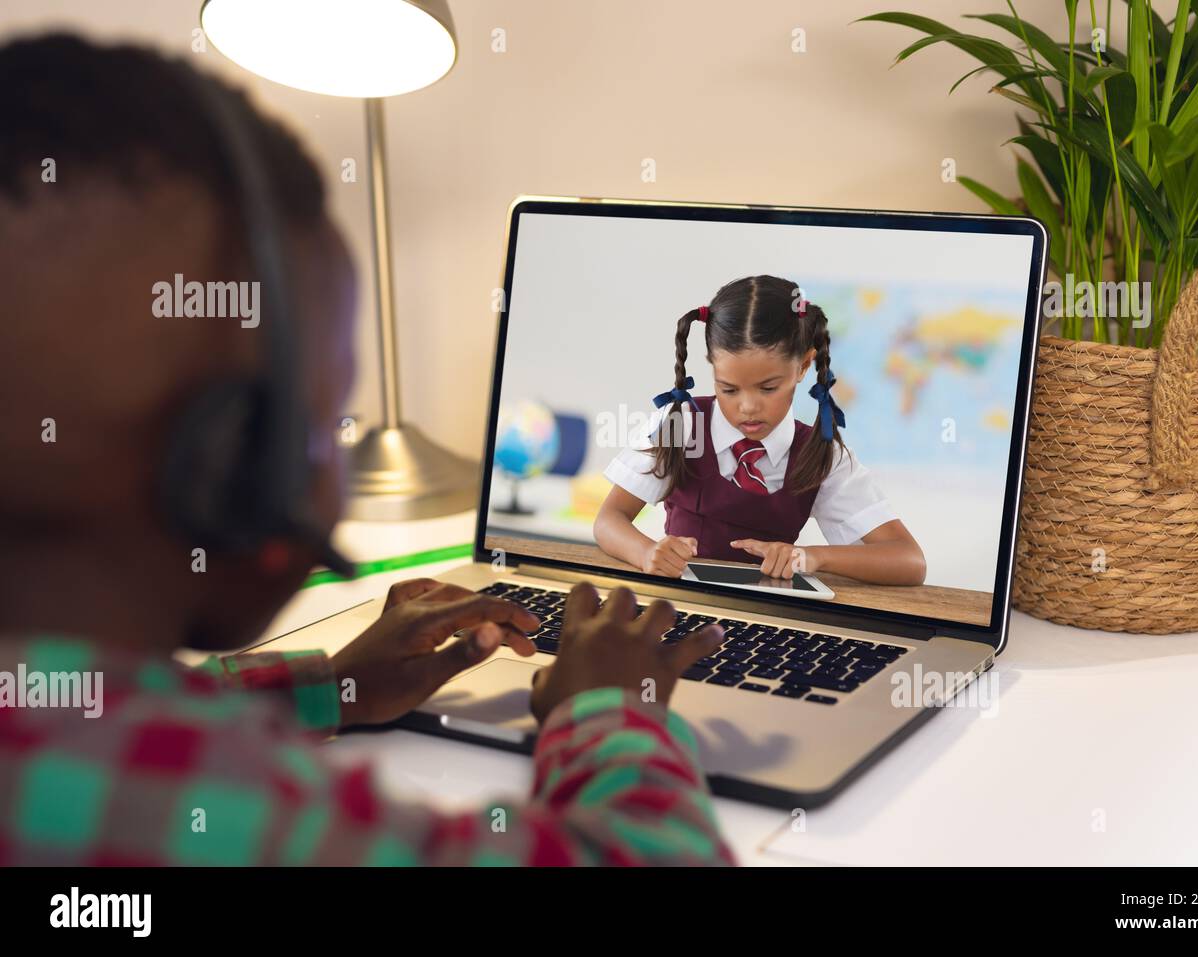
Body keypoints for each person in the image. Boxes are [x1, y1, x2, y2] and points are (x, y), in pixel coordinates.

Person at [0, 33, 732, 866]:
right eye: (321, 425)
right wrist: (609, 710)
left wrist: (322, 685)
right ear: (232, 465)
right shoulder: (222, 810)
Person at [596, 275, 927, 585]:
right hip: (680, 607)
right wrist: (646, 553)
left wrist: (813, 557)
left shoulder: (822, 455)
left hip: (767, 622)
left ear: (803, 366)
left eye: (768, 389)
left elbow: (909, 561)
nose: (748, 407)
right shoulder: (681, 422)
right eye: (729, 389)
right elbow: (610, 519)